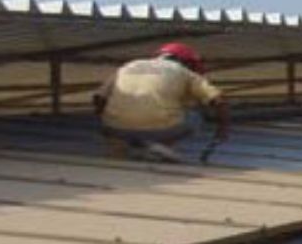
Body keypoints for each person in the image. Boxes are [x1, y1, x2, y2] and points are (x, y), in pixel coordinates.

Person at [93, 43, 230, 162]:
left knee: (121, 121)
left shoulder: (129, 66)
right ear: (186, 62)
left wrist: (104, 122)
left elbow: (99, 98)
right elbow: (218, 99)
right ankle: (159, 146)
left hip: (115, 129)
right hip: (159, 130)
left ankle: (123, 146)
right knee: (195, 116)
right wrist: (222, 129)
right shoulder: (184, 72)